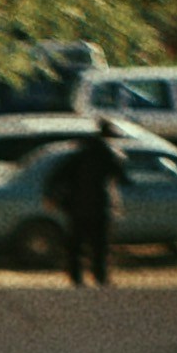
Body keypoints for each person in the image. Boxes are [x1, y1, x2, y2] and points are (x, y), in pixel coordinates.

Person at [50, 120, 121, 291]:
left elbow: (58, 176)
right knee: (99, 246)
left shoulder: (79, 154)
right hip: (99, 207)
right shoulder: (108, 155)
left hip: (77, 207)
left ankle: (76, 278)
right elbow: (120, 175)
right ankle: (100, 278)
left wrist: (58, 198)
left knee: (76, 244)